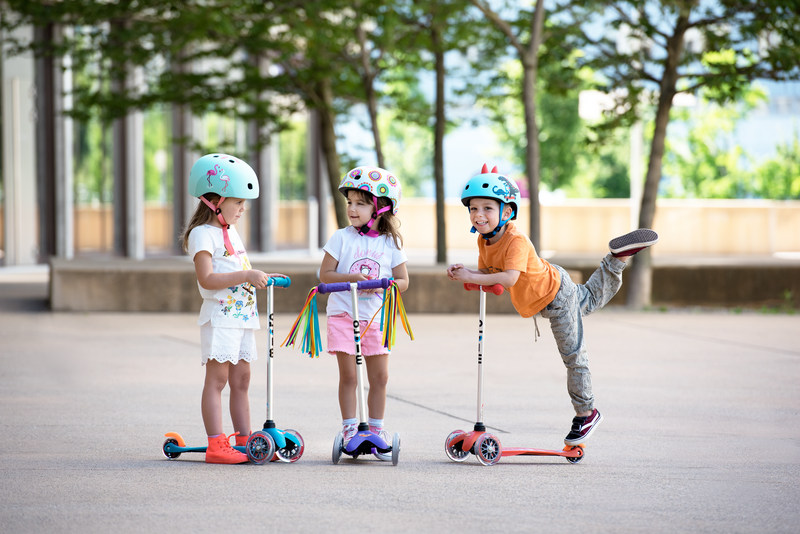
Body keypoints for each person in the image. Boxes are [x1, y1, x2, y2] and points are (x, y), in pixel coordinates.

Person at [446, 165, 658, 446]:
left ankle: (587, 412)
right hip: (551, 286)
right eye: (473, 208)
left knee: (573, 355)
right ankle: (617, 258)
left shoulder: (516, 240)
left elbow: (509, 277)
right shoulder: (484, 241)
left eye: (487, 207)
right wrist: (470, 274)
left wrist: (471, 276)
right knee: (591, 298)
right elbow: (489, 274)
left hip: (556, 296)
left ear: (507, 212)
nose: (479, 214)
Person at [180, 153, 287, 464]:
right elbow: (208, 279)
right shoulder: (203, 234)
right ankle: (216, 445)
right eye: (238, 202)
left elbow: (238, 271)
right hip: (220, 319)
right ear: (215, 200)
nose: (243, 208)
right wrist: (246, 275)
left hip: (242, 319)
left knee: (241, 381)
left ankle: (245, 441)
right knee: (217, 381)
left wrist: (260, 276)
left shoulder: (231, 232)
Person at [318, 166, 409, 457]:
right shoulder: (341, 238)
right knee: (349, 376)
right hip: (344, 314)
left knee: (380, 377)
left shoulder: (390, 243)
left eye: (361, 203)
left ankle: (376, 427)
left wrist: (385, 285)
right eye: (350, 202)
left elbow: (403, 281)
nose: (352, 209)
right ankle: (349, 427)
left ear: (380, 208)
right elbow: (325, 275)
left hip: (376, 317)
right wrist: (352, 280)